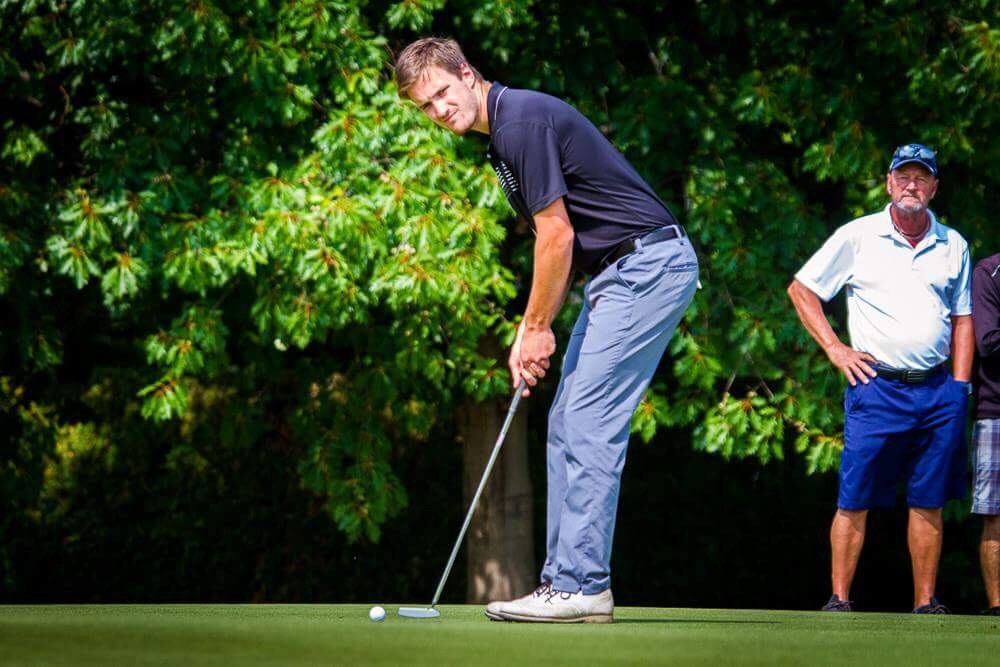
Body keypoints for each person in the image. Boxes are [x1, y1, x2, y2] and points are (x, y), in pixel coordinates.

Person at [395, 37, 699, 623]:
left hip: (646, 266)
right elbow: (560, 240)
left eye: (442, 93)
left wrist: (535, 327)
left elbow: (556, 236)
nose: (438, 110)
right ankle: (566, 583)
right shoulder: (506, 131)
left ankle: (582, 584)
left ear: (467, 73)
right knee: (566, 420)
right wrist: (533, 329)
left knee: (587, 420)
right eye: (425, 106)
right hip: (619, 274)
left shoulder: (520, 123)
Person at [787, 143, 973, 614]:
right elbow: (802, 290)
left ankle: (925, 603)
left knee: (929, 499)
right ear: (889, 184)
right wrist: (836, 349)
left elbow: (963, 318)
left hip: (938, 389)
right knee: (855, 496)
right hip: (877, 385)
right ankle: (839, 598)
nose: (912, 186)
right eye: (903, 177)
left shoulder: (953, 244)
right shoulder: (859, 235)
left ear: (934, 188)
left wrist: (960, 386)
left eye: (921, 178)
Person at [972, 252, 1000, 615]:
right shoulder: (989, 271)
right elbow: (989, 341)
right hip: (996, 411)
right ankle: (997, 607)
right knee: (995, 515)